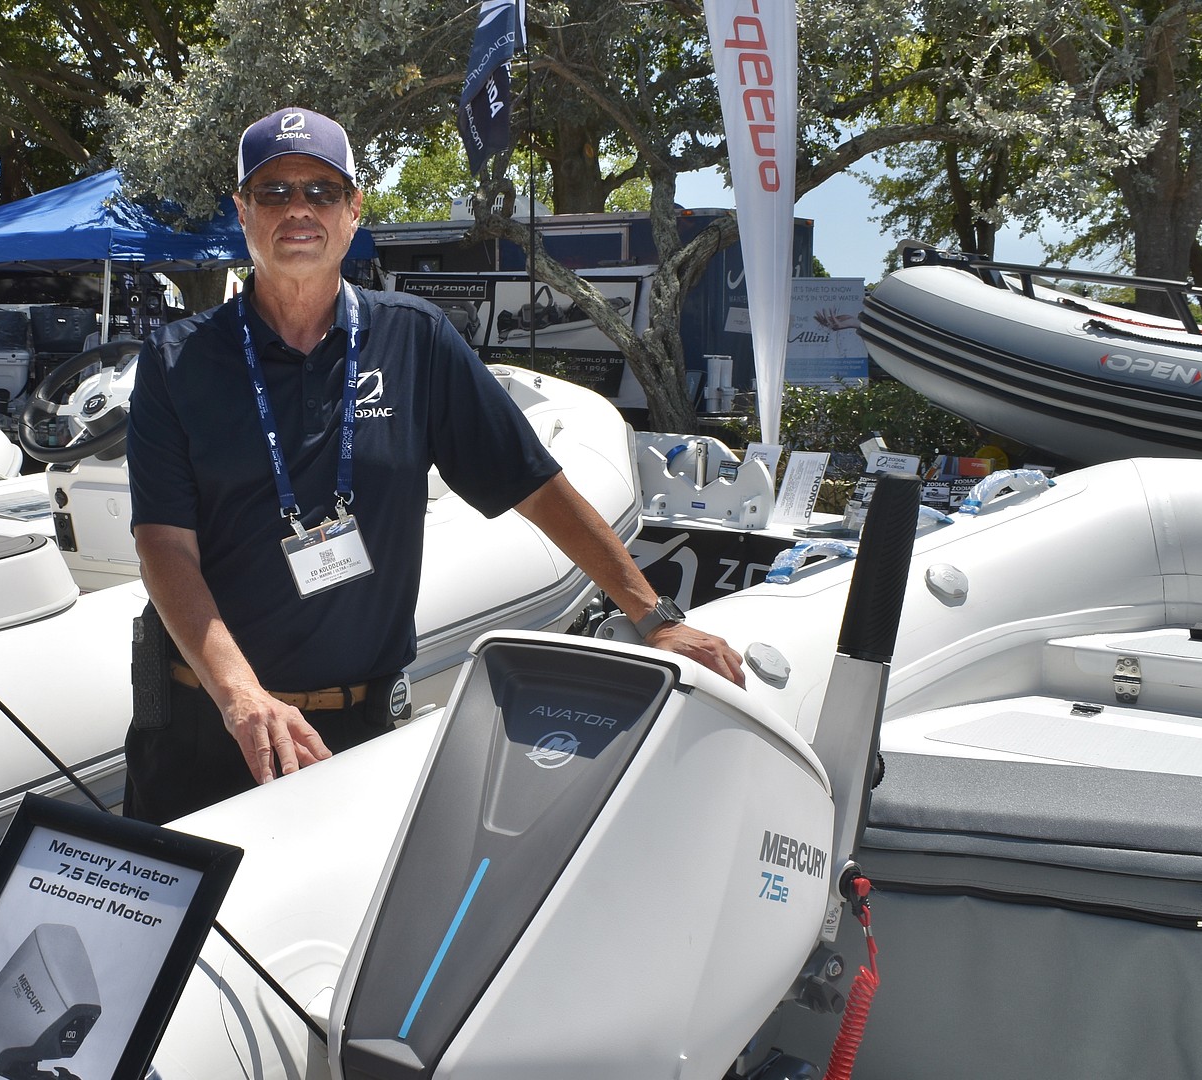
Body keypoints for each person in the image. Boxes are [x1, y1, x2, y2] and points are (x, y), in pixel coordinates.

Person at [121, 106, 744, 824]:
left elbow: (534, 484)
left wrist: (654, 615)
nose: (298, 210)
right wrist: (242, 696)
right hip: (207, 726)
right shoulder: (178, 361)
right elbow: (163, 545)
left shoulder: (414, 338)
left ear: (354, 210)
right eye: (274, 191)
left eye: (321, 191)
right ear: (242, 210)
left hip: (353, 734)